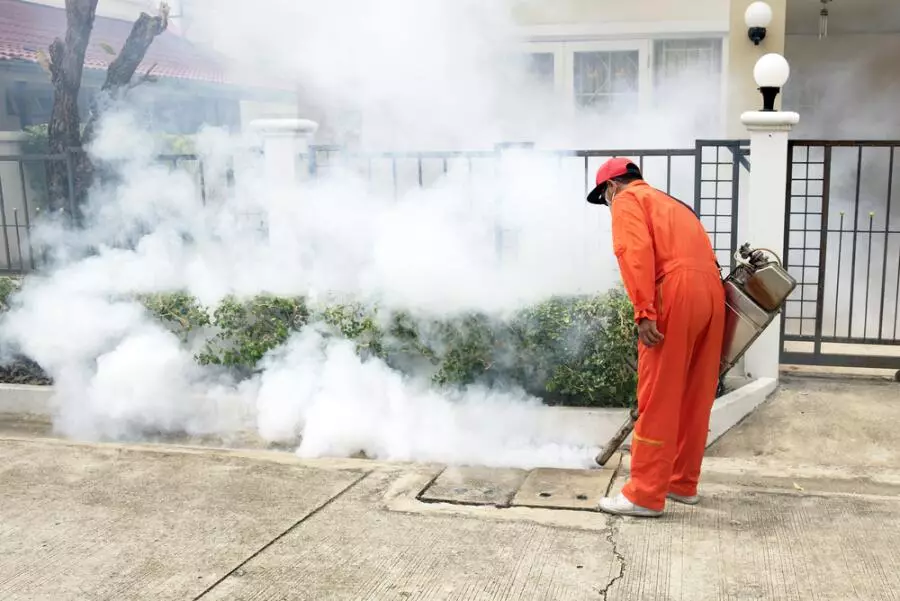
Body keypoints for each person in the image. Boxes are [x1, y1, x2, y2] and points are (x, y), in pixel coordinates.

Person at [586, 157, 725, 518]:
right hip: (712, 293)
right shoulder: (673, 204)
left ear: (611, 187)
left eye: (603, 199)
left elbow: (634, 252)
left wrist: (644, 310)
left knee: (658, 394)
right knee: (696, 393)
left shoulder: (628, 200)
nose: (607, 206)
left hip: (674, 291)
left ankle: (644, 495)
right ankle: (682, 483)